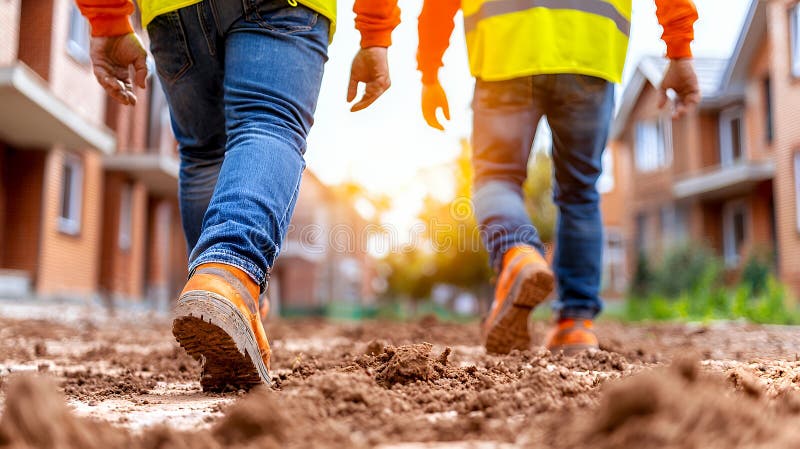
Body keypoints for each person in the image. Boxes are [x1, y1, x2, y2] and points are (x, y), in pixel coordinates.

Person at [76, 0, 400, 390]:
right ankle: (229, 275)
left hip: (172, 11)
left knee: (203, 155)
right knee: (268, 124)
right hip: (283, 7)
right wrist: (376, 33)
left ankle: (225, 291)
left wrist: (107, 19)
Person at [417, 0, 700, 354]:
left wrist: (429, 69)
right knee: (580, 191)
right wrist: (680, 51)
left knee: (496, 178)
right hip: (589, 48)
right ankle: (574, 325)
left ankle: (516, 252)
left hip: (505, 47)